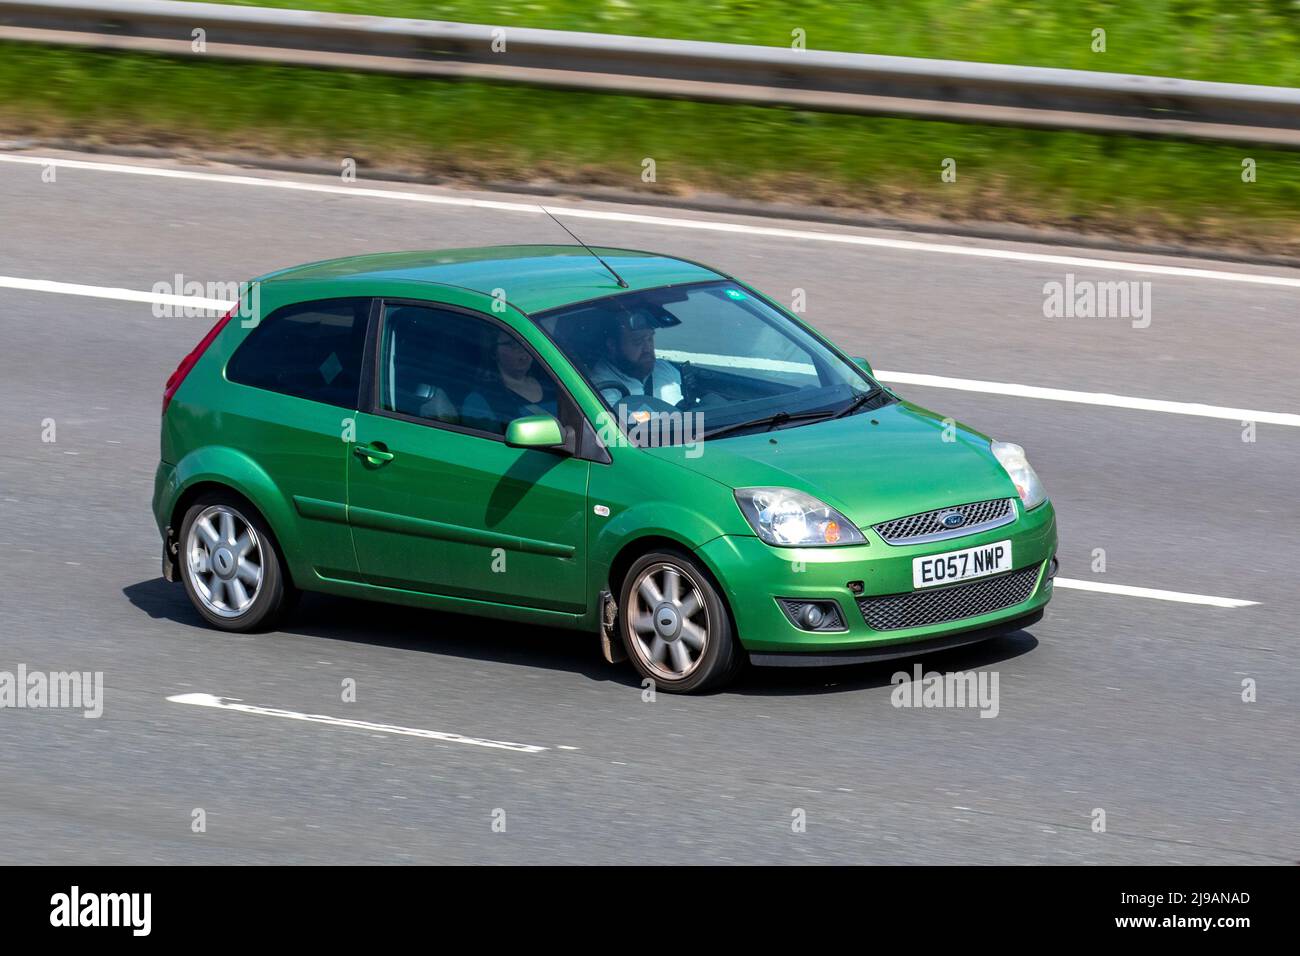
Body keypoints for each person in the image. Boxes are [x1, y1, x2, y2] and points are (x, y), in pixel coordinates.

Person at [462, 330, 557, 434]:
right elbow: (485, 446)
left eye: (527, 343)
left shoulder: (554, 382)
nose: (523, 350)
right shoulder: (479, 400)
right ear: (494, 352)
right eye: (513, 344)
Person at [590, 305, 684, 407]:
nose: (647, 348)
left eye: (650, 339)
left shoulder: (662, 368)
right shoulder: (603, 389)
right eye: (638, 342)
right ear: (612, 345)